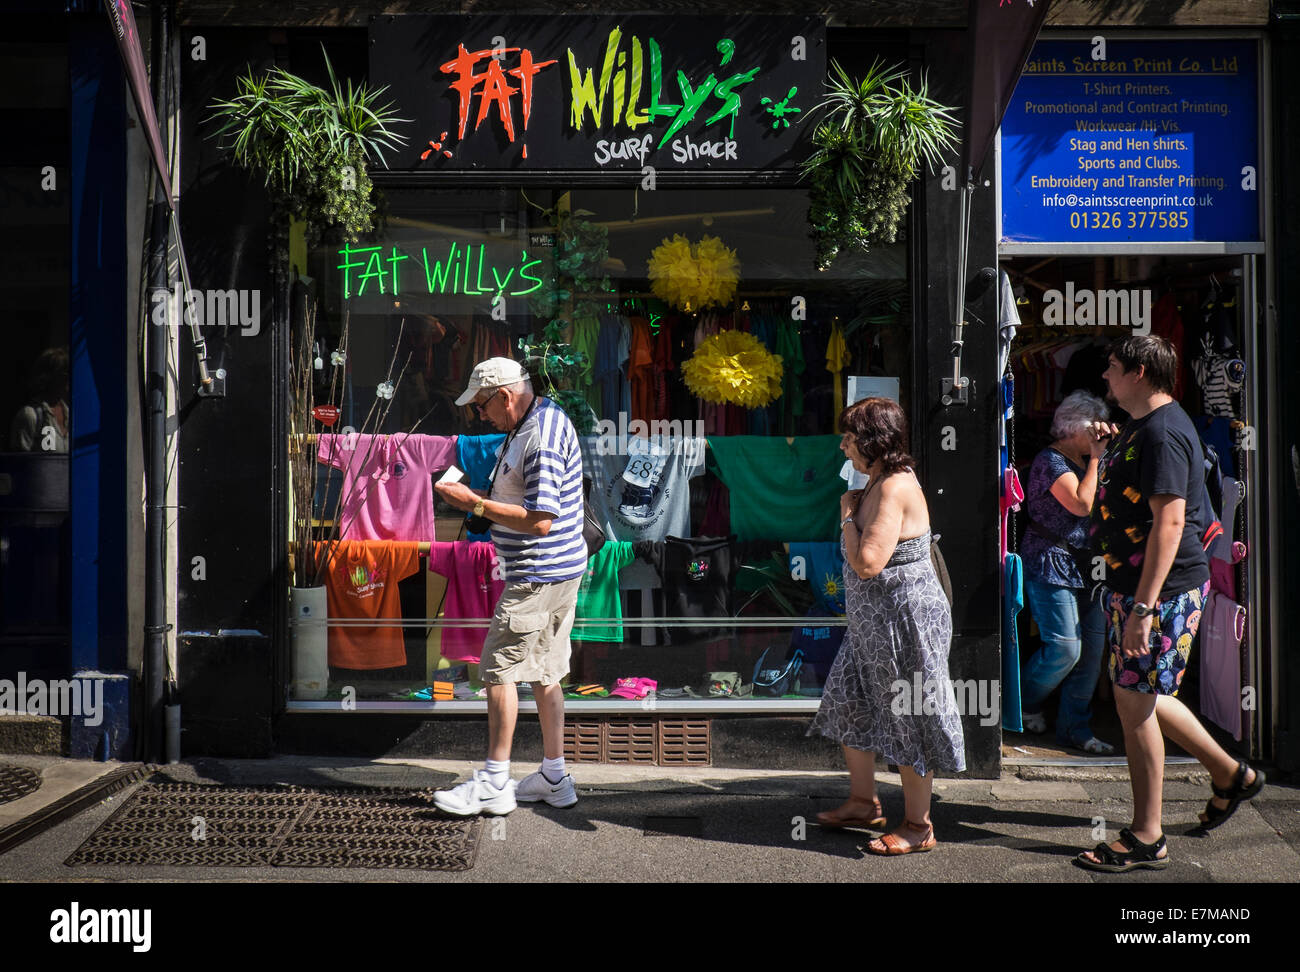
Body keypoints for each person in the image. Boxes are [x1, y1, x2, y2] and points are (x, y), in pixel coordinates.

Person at [1076, 336, 1264, 873]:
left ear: (1138, 372)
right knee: (1141, 695)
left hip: (1158, 592)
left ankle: (1146, 836)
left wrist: (1143, 609)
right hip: (1138, 588)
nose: (1105, 378)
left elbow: (1171, 522)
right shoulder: (1143, 427)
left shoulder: (1163, 433)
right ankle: (1231, 774)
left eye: (1112, 369)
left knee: (1133, 705)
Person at [808, 397, 965, 855]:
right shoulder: (878, 480)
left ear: (873, 442)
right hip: (873, 625)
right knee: (849, 701)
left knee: (908, 714)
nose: (842, 446)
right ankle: (863, 801)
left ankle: (919, 826)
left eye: (850, 438)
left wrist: (846, 515)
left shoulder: (894, 486)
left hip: (903, 625)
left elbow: (867, 563)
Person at [431, 358, 588, 816]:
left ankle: (494, 783)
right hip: (557, 571)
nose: (480, 416)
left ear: (505, 395)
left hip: (537, 575)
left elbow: (540, 521)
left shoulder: (538, 436)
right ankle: (555, 778)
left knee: (497, 671)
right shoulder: (540, 419)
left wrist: (475, 503)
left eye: (482, 407)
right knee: (545, 672)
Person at [1018, 390, 1115, 754]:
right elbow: (1080, 503)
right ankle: (1024, 705)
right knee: (1064, 648)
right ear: (1075, 428)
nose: (1098, 437)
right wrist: (1096, 460)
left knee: (1091, 655)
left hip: (1090, 566)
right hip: (1051, 561)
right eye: (1094, 430)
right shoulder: (1050, 461)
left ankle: (1076, 729)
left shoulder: (1094, 458)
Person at [9, 348, 70, 452]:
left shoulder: (71, 414)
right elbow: (20, 464)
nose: (68, 380)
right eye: (64, 375)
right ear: (48, 377)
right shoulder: (30, 415)